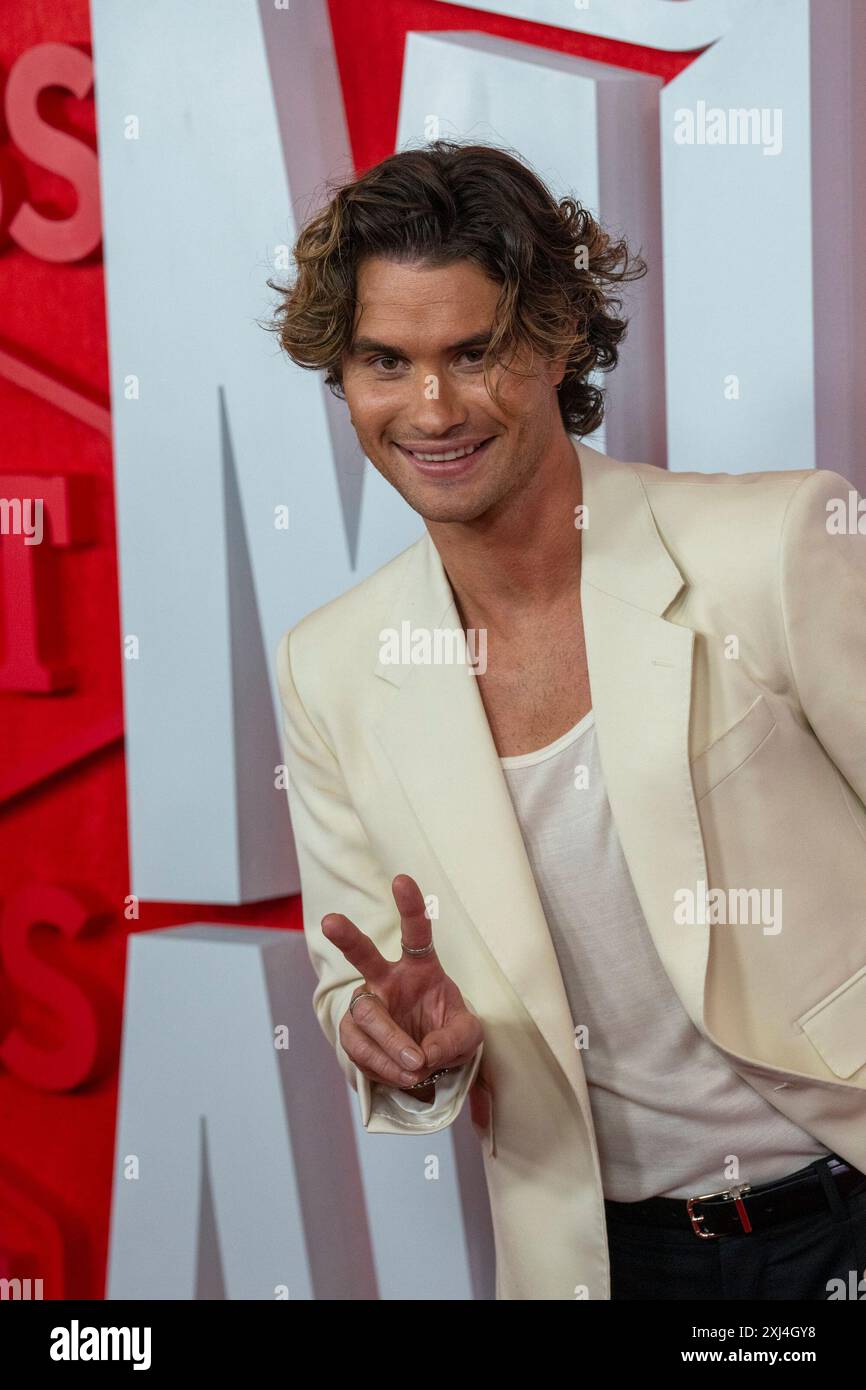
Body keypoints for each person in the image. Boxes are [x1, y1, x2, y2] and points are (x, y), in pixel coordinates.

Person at [267, 140, 866, 1301]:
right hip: (599, 1262)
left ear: (553, 342)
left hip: (841, 1202)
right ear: (342, 377)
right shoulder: (330, 667)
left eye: (472, 352)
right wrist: (396, 1043)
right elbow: (368, 985)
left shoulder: (771, 545)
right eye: (384, 361)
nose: (429, 407)